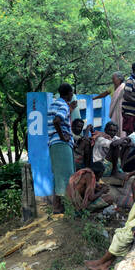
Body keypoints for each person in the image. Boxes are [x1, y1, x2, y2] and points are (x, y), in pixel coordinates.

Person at [47, 83, 76, 214]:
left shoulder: (54, 104)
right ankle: (68, 207)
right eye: (72, 93)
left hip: (54, 143)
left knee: (59, 176)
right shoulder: (63, 105)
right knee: (67, 176)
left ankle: (57, 206)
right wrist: (63, 137)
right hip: (61, 144)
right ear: (69, 93)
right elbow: (57, 121)